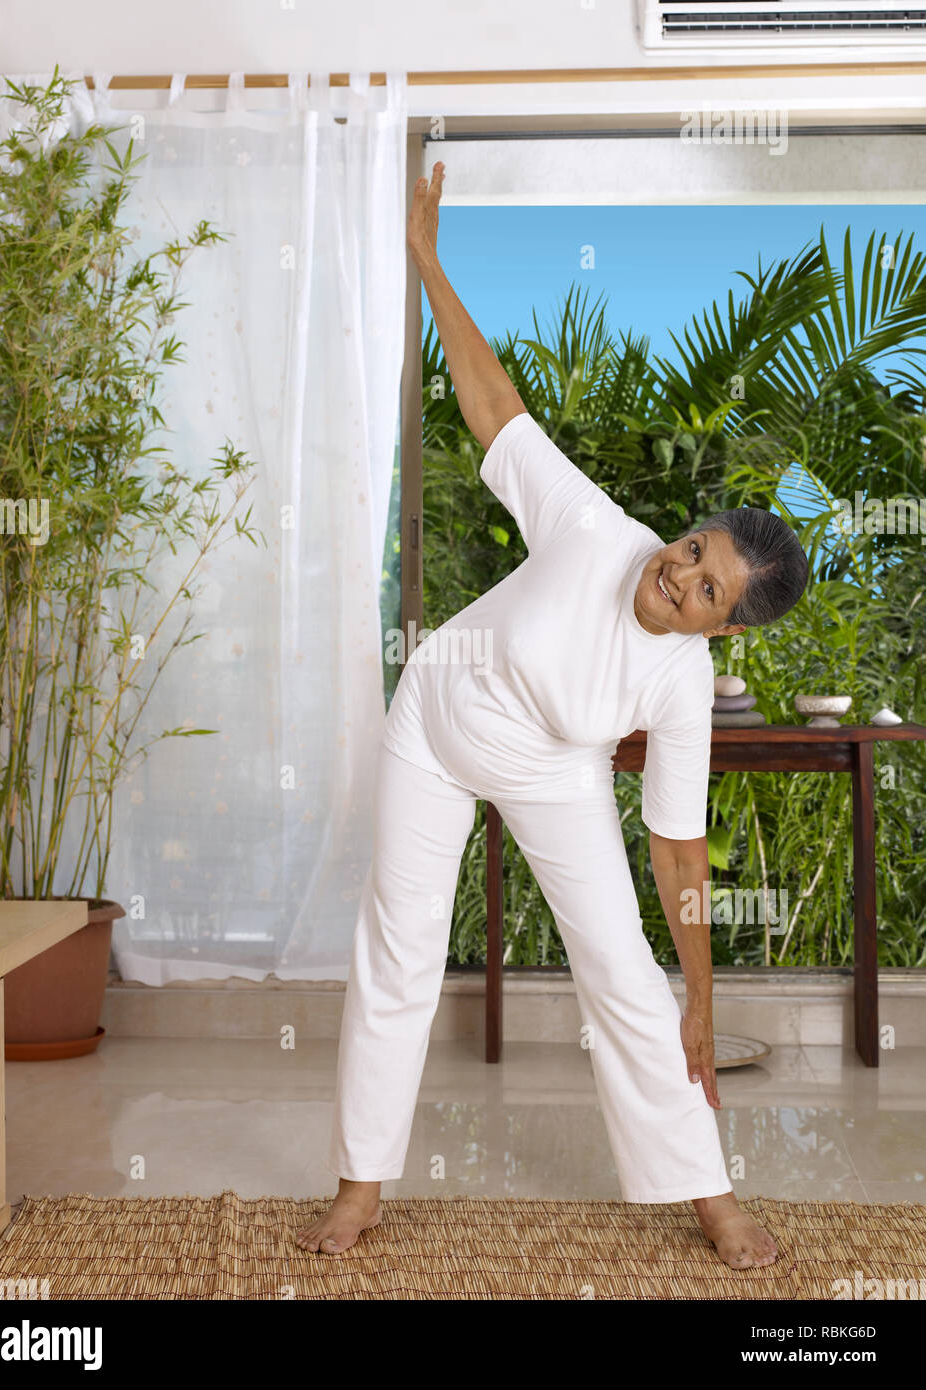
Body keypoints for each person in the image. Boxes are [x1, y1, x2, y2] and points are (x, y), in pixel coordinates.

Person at [296, 161, 809, 1270]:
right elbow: (495, 408)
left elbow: (678, 853)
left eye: (709, 589)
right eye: (693, 551)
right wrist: (427, 261)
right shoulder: (593, 528)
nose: (680, 575)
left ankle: (706, 1191)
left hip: (553, 764)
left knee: (624, 968)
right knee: (402, 947)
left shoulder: (679, 693)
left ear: (725, 628)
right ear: (683, 536)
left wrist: (703, 1000)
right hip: (436, 725)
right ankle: (359, 1185)